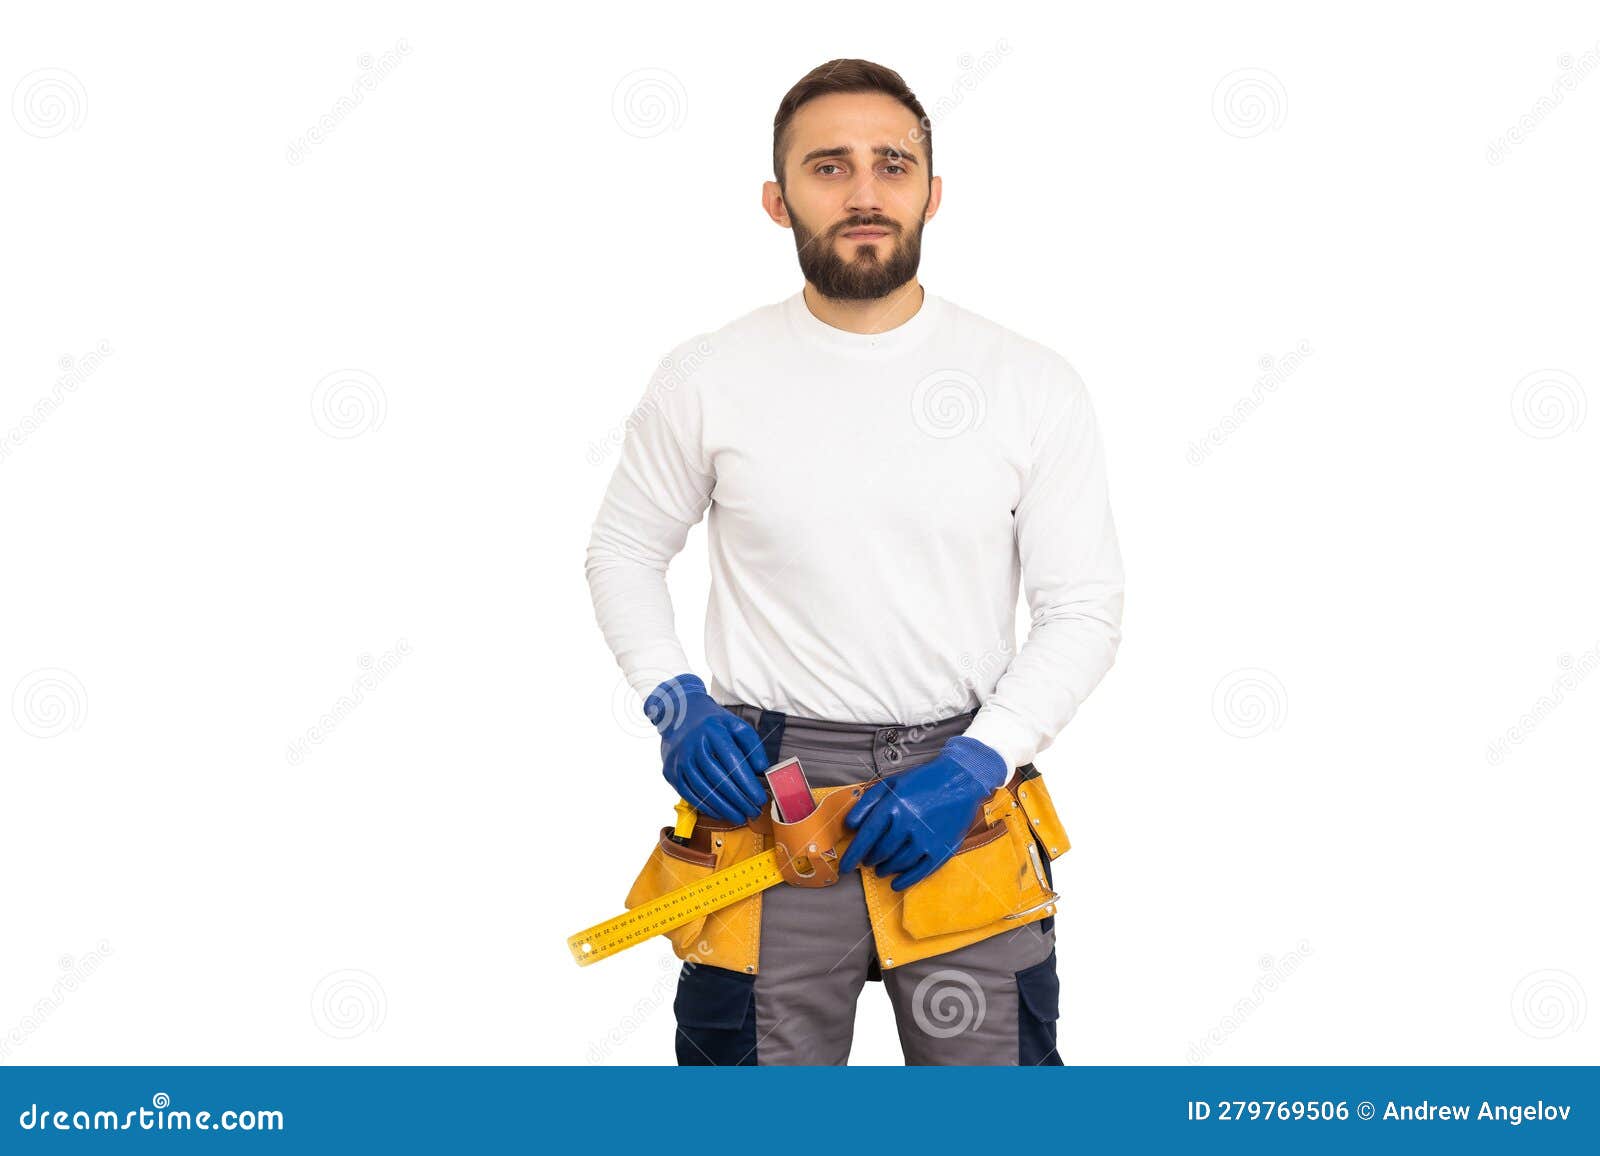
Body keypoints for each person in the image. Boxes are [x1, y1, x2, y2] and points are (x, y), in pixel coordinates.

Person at [584, 58, 1124, 1065]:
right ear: (775, 197)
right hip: (764, 804)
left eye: (892, 164)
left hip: (959, 811)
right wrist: (673, 700)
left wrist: (976, 761)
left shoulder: (1028, 384)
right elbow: (622, 549)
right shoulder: (706, 376)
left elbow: (1082, 608)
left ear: (932, 192)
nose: (865, 192)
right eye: (828, 167)